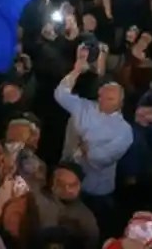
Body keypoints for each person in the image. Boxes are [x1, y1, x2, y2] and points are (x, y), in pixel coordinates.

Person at [54, 44, 131, 231]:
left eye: (110, 99)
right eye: (102, 96)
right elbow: (60, 95)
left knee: (94, 223)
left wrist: (86, 149)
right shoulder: (85, 107)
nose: (103, 101)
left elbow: (104, 158)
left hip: (97, 187)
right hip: (69, 180)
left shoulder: (124, 130)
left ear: (120, 103)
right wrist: (76, 70)